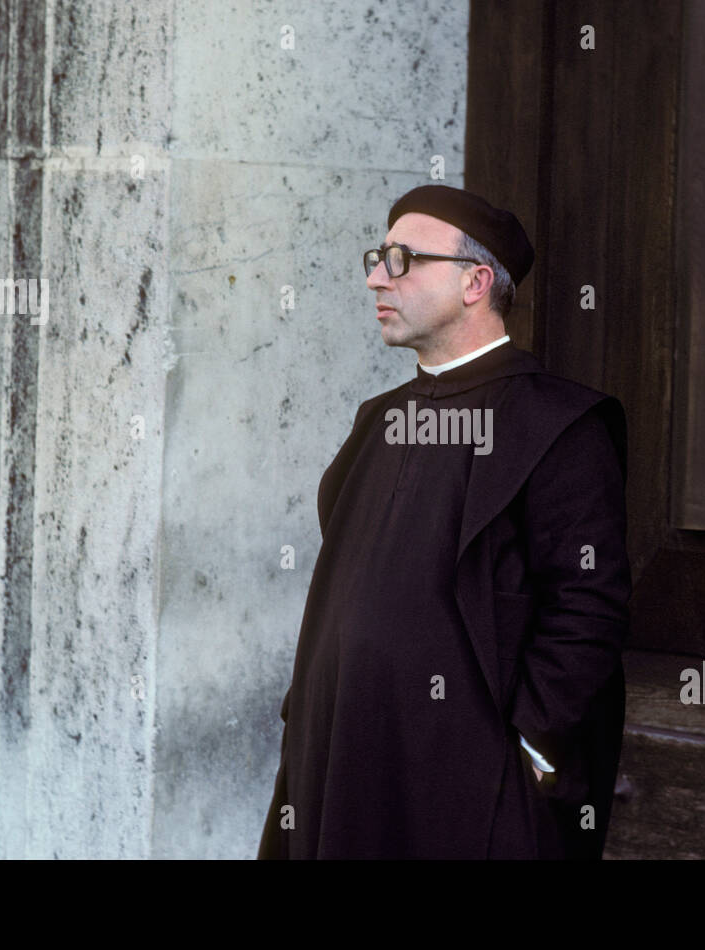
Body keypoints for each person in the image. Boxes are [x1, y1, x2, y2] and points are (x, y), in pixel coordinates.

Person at [257, 184, 631, 859]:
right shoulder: (379, 420)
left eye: (403, 259)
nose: (377, 276)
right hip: (342, 770)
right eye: (378, 256)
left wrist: (527, 751)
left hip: (465, 795)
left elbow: (588, 608)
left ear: (475, 282)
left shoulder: (559, 425)